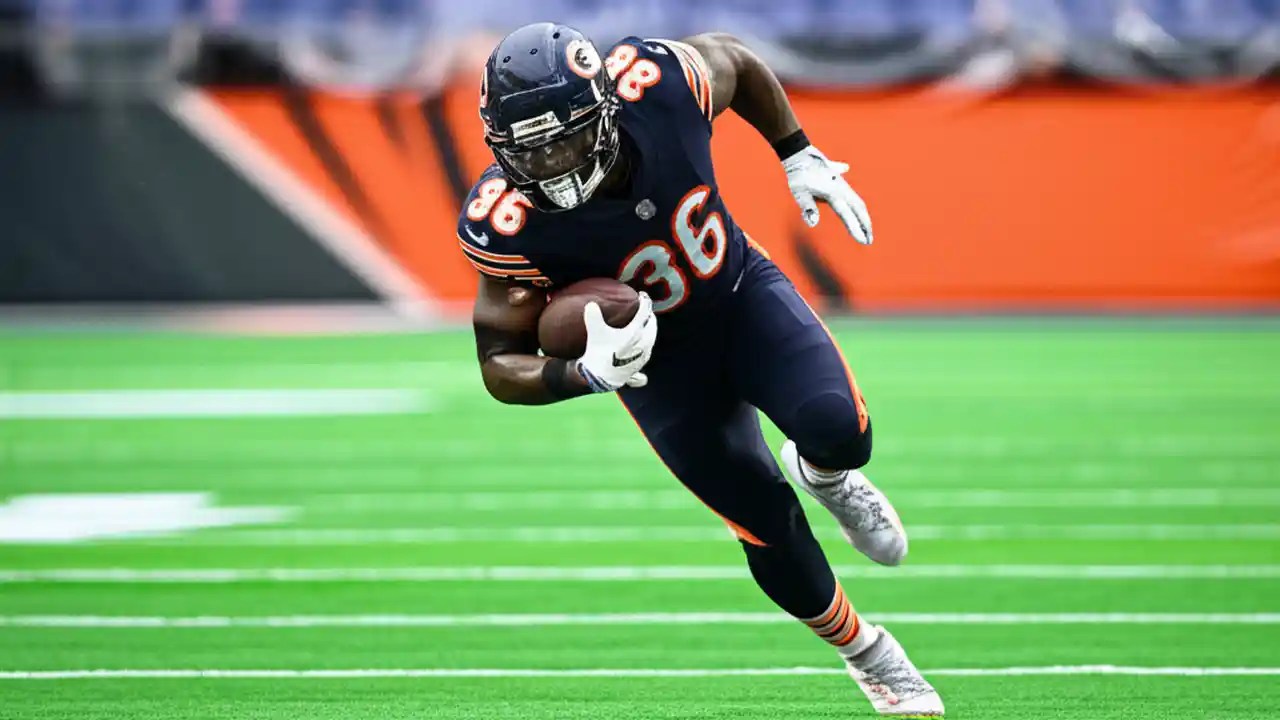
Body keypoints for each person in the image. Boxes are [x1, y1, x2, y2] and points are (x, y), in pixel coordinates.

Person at [457, 22, 944, 717]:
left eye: (562, 139)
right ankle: (867, 652)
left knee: (839, 427)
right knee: (763, 524)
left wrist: (797, 152)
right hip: (657, 371)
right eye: (526, 151)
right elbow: (499, 363)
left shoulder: (653, 89)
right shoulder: (505, 221)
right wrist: (582, 375)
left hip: (739, 293)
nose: (550, 166)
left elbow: (738, 63)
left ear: (603, 110)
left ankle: (826, 473)